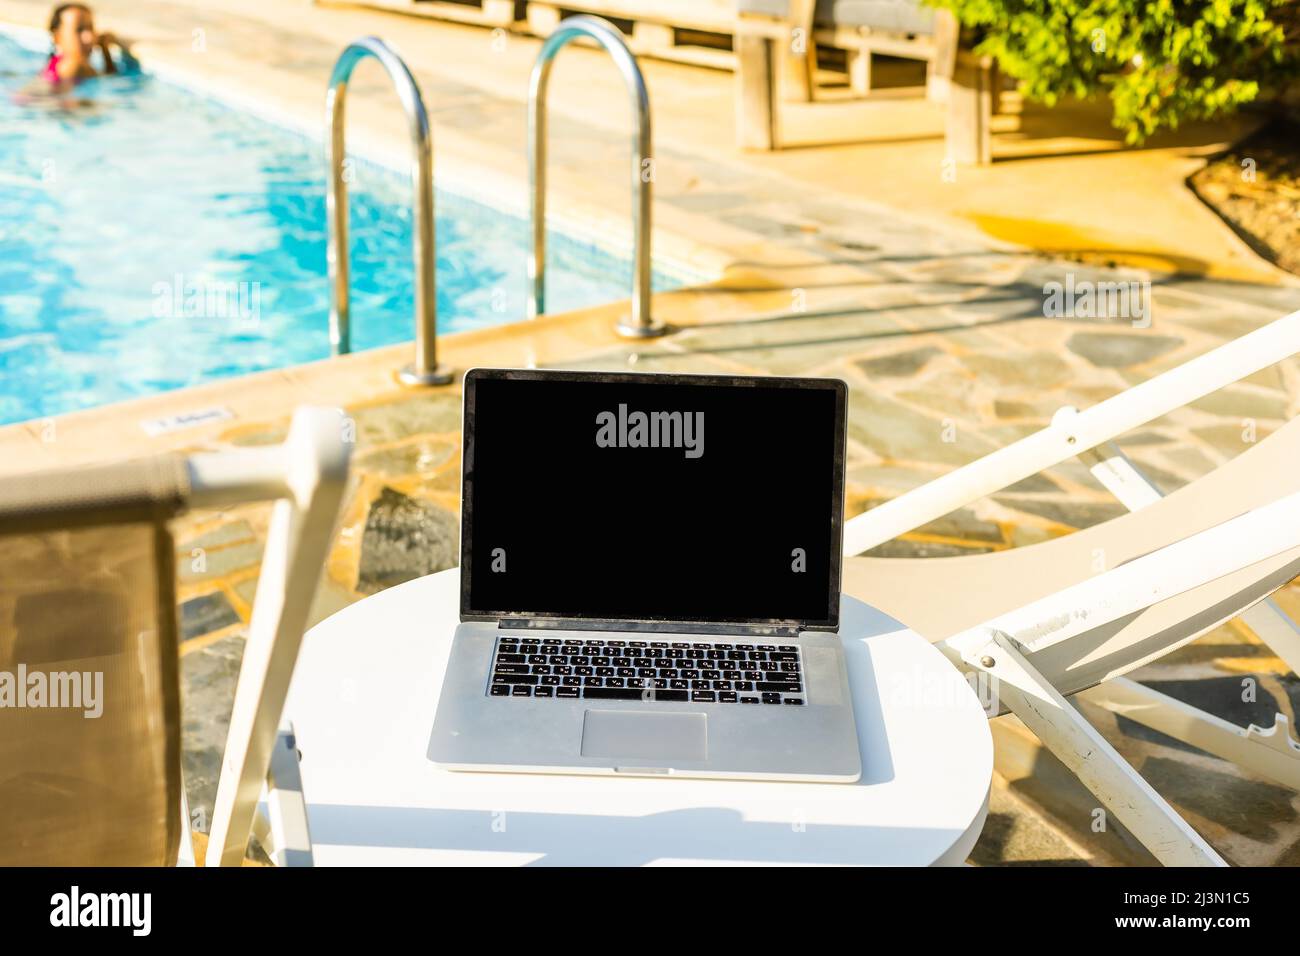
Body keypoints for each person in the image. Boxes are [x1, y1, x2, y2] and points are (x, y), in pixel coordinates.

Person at [40, 3, 136, 90]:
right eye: (79, 30)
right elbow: (111, 81)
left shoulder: (56, 63)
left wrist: (104, 48)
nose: (89, 37)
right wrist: (106, 52)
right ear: (58, 37)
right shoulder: (77, 66)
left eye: (90, 28)